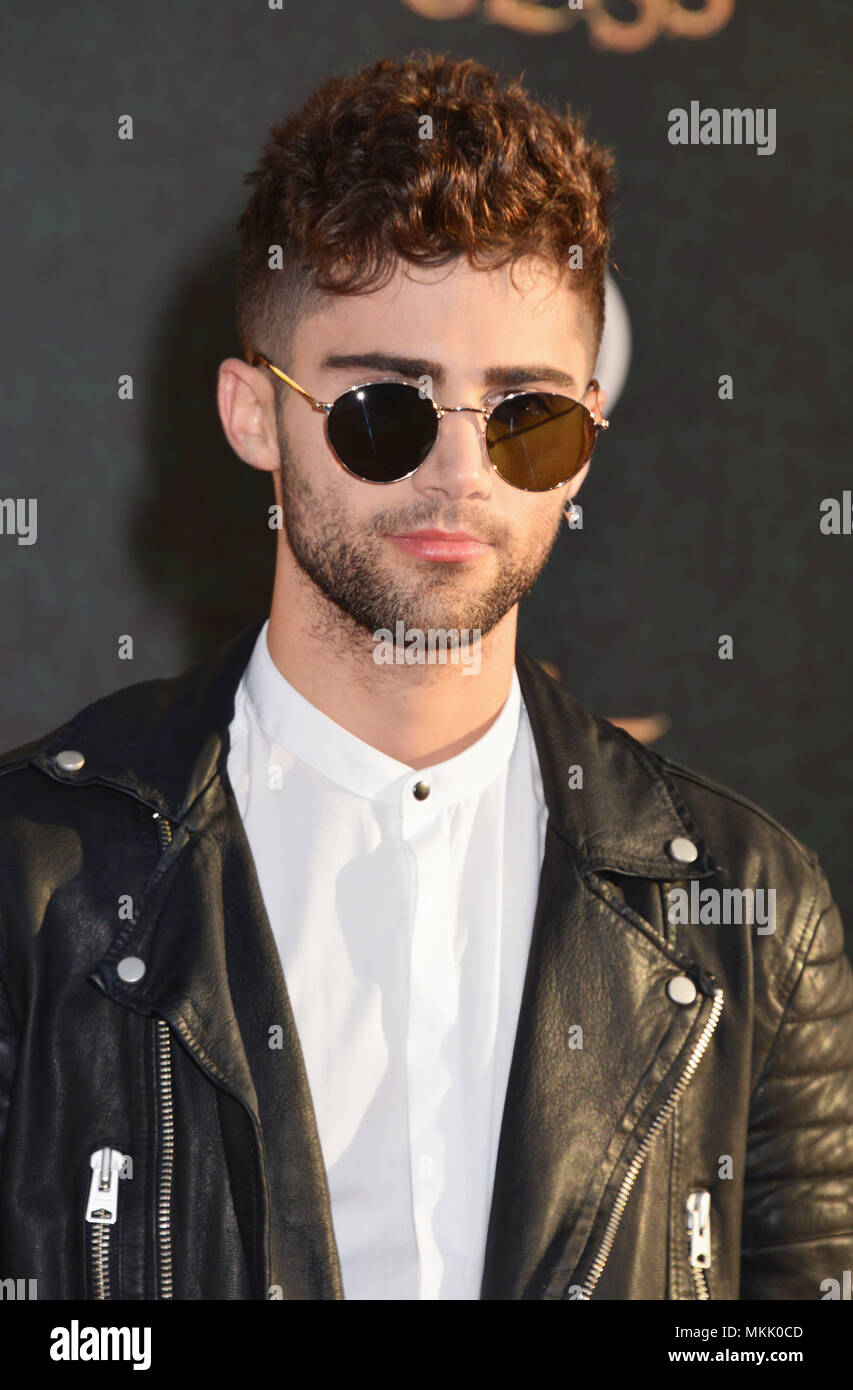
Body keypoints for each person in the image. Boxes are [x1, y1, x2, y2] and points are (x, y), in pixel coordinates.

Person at [0, 52, 850, 1302]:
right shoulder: (30, 879)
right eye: (385, 409)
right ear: (253, 413)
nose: (459, 474)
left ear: (584, 447)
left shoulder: (747, 910)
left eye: (525, 417)